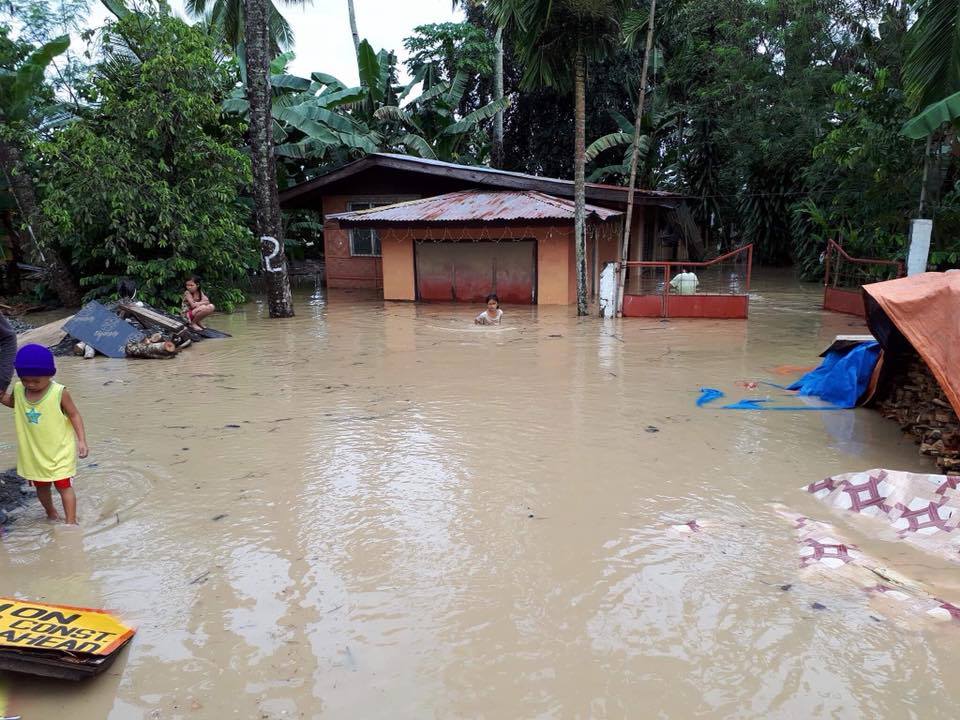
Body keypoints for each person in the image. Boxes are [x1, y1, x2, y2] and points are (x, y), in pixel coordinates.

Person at [0, 344, 88, 525]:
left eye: (36, 381)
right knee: (41, 486)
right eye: (25, 380)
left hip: (59, 453)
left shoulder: (59, 393)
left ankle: (71, 522)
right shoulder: (19, 389)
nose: (30, 384)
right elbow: (14, 403)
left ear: (50, 375)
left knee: (64, 486)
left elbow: (74, 415)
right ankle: (51, 514)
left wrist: (82, 441)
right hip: (34, 454)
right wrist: (2, 397)